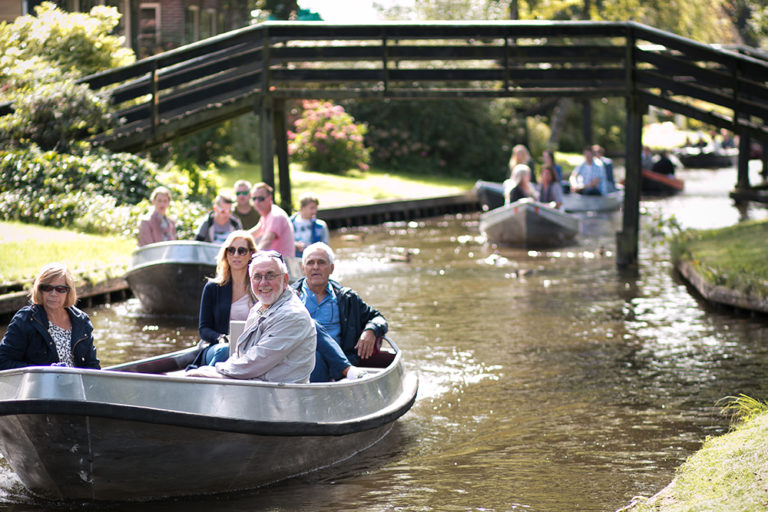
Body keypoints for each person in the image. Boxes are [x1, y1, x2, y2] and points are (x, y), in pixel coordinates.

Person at [186, 250, 316, 383]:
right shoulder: (258, 308)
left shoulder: (292, 315)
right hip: (257, 386)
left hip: (278, 391)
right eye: (257, 277)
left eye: (270, 276)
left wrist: (218, 370)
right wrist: (216, 370)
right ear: (250, 280)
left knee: (196, 376)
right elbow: (242, 355)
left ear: (285, 280)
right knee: (198, 373)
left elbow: (256, 361)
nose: (263, 283)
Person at [292, 242, 391, 367]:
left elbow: (379, 318)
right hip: (299, 363)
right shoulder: (289, 298)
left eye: (321, 262)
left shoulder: (347, 298)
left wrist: (371, 330)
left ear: (332, 268)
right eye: (310, 263)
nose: (315, 267)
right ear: (303, 269)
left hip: (338, 365)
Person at [0, 263, 100, 370]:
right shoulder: (25, 319)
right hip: (37, 381)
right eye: (47, 288)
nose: (53, 293)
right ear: (39, 290)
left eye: (60, 289)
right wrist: (44, 372)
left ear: (68, 292)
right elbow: (3, 361)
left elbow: (93, 367)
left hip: (76, 381)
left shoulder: (81, 321)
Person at [196, 230, 257, 365]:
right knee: (225, 350)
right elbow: (204, 329)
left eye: (241, 251)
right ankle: (208, 376)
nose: (236, 255)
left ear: (251, 254)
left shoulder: (259, 288)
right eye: (231, 250)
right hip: (219, 347)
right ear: (226, 254)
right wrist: (221, 338)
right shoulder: (212, 288)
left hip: (252, 348)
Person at [249, 182, 295, 257]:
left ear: (270, 198)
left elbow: (266, 242)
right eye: (254, 199)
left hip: (283, 262)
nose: (256, 202)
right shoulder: (266, 216)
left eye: (260, 199)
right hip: (275, 261)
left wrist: (251, 257)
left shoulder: (276, 216)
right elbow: (251, 234)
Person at [290, 193, 330, 257]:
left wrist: (311, 248)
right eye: (312, 208)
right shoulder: (289, 224)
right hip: (293, 259)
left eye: (316, 208)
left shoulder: (321, 226)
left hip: (313, 259)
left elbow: (326, 248)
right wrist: (294, 245)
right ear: (302, 207)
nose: (314, 211)